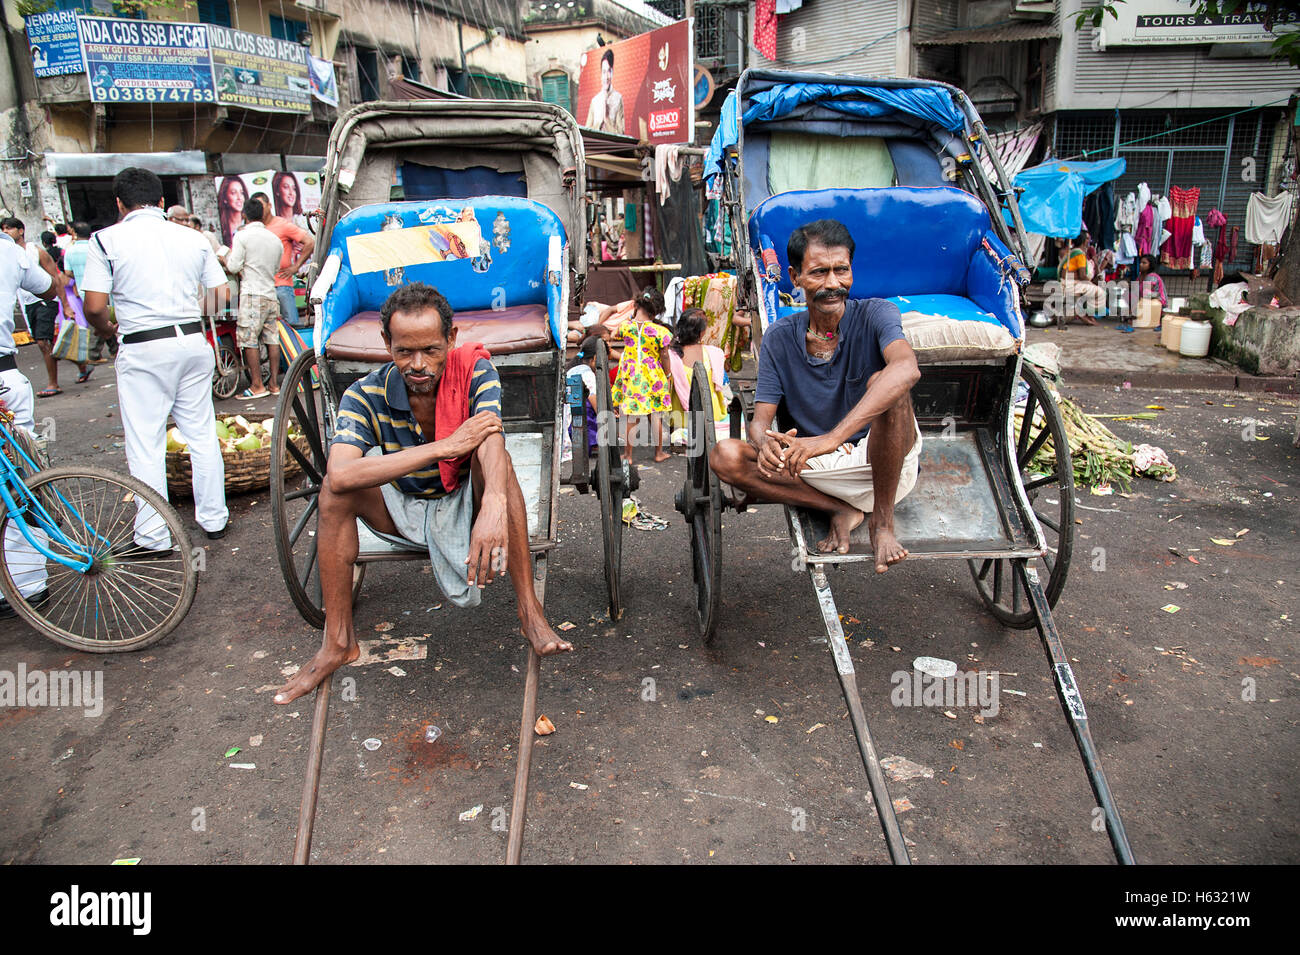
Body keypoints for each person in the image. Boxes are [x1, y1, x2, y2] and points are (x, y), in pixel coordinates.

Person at [271, 282, 571, 704]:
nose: (418, 364)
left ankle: (530, 613)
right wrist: (444, 447)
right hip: (402, 505)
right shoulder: (364, 394)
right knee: (333, 493)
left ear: (451, 339)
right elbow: (339, 475)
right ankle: (337, 641)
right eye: (404, 351)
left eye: (430, 350)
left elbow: (488, 437)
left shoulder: (474, 370)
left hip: (466, 500)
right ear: (385, 343)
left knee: (499, 465)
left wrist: (493, 508)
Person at [710, 218, 922, 571]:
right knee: (725, 456)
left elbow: (906, 369)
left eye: (842, 270)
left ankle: (882, 524)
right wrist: (765, 444)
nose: (833, 284)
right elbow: (760, 422)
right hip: (814, 468)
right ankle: (838, 507)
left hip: (885, 464)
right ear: (795, 277)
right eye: (819, 273)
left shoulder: (877, 313)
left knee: (889, 386)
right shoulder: (779, 337)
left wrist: (830, 439)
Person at [81, 167, 232, 545]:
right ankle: (214, 519)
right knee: (201, 433)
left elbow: (95, 306)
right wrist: (188, 312)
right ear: (162, 201)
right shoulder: (192, 238)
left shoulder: (104, 240)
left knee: (146, 442)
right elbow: (222, 295)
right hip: (193, 343)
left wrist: (107, 331)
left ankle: (154, 533)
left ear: (119, 203)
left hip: (143, 347)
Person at [0, 223, 59, 617]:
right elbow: (49, 287)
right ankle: (30, 583)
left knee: (17, 480)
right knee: (21, 479)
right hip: (8, 378)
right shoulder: (10, 251)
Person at [0, 218, 88, 397]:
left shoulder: (35, 252)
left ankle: (53, 383)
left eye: (10, 228)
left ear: (21, 230)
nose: (6, 231)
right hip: (28, 304)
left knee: (42, 342)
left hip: (46, 302)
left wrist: (65, 304)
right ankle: (83, 365)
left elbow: (55, 280)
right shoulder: (8, 252)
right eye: (4, 228)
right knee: (49, 341)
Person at [219, 196, 284, 398]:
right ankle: (274, 384)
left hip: (253, 295)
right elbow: (275, 268)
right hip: (271, 294)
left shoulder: (243, 236)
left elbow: (233, 266)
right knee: (272, 339)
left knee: (249, 340)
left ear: (244, 215)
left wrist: (223, 257)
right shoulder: (275, 239)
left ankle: (257, 386)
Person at [611, 286, 672, 464]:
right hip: (652, 374)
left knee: (632, 416)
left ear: (637, 305)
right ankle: (659, 453)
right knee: (655, 415)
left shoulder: (626, 327)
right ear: (656, 312)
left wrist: (632, 317)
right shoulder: (660, 332)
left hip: (631, 374)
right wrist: (667, 375)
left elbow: (614, 335)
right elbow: (665, 355)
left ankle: (628, 456)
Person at [666, 306, 730, 439]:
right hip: (713, 414)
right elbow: (723, 384)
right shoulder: (714, 353)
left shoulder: (670, 355)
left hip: (680, 419)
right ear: (702, 333)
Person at [252, 191, 314, 327]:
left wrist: (295, 267)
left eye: (261, 205)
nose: (259, 209)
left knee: (291, 326)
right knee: (266, 330)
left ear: (269, 205)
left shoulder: (282, 225)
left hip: (282, 284)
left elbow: (310, 242)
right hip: (260, 287)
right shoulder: (253, 229)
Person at [63, 221, 118, 365]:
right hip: (104, 290)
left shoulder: (70, 250)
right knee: (101, 319)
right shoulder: (96, 247)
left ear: (74, 233)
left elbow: (68, 272)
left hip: (84, 290)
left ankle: (113, 348)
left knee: (101, 319)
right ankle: (93, 353)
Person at [564, 335, 601, 461]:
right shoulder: (588, 374)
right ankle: (590, 441)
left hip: (566, 421)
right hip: (574, 424)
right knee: (589, 409)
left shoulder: (572, 369)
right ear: (595, 358)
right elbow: (594, 401)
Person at [1058, 232, 1106, 326]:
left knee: (1093, 290)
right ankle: (1083, 314)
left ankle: (1088, 315)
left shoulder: (1073, 252)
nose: (1089, 241)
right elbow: (1082, 275)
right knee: (1099, 292)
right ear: (1084, 241)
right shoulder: (1079, 254)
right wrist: (1091, 283)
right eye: (1087, 239)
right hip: (1069, 284)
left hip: (1069, 282)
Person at [584, 48, 625, 135]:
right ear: (600, 74)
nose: (606, 77)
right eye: (603, 72)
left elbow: (621, 132)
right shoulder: (595, 101)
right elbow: (586, 131)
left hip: (612, 147)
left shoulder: (618, 98)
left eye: (609, 71)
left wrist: (606, 119)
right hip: (596, 146)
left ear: (613, 72)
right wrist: (599, 123)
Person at [216, 175, 249, 249]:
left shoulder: (251, 223)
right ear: (225, 198)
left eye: (241, 193)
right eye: (233, 193)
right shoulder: (221, 227)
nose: (239, 198)